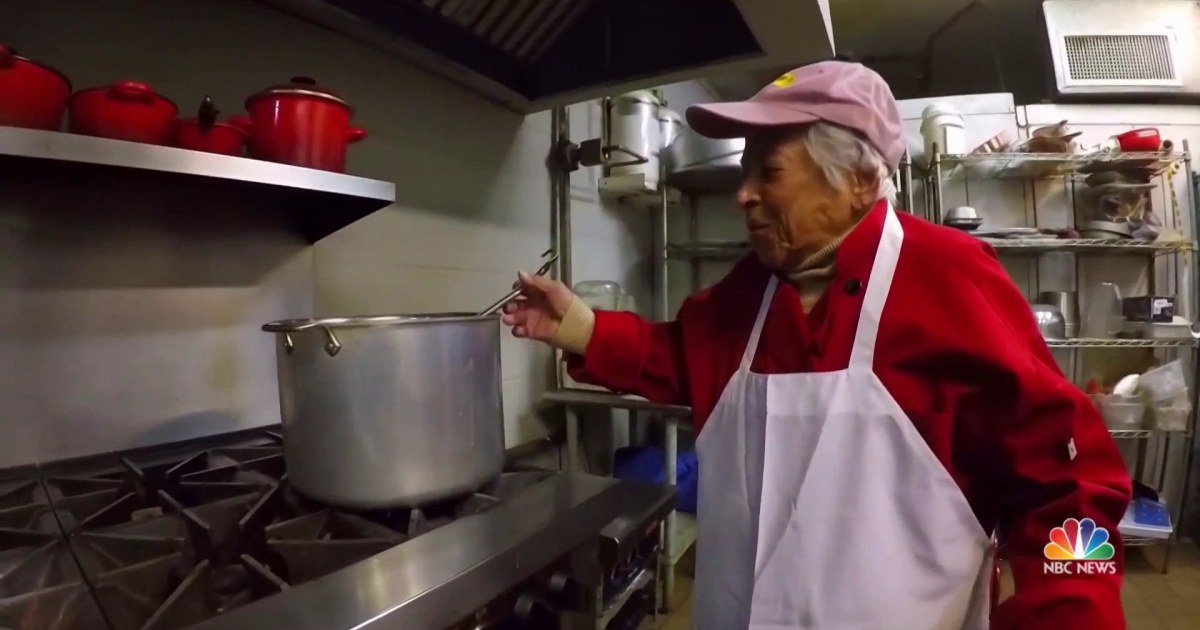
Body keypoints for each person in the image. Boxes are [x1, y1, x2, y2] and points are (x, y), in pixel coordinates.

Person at [503, 60, 1132, 629]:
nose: (743, 193)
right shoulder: (751, 292)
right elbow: (684, 357)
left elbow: (1068, 484)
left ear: (857, 179)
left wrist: (1073, 606)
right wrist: (582, 327)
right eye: (746, 170)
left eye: (769, 170)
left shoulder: (948, 278)